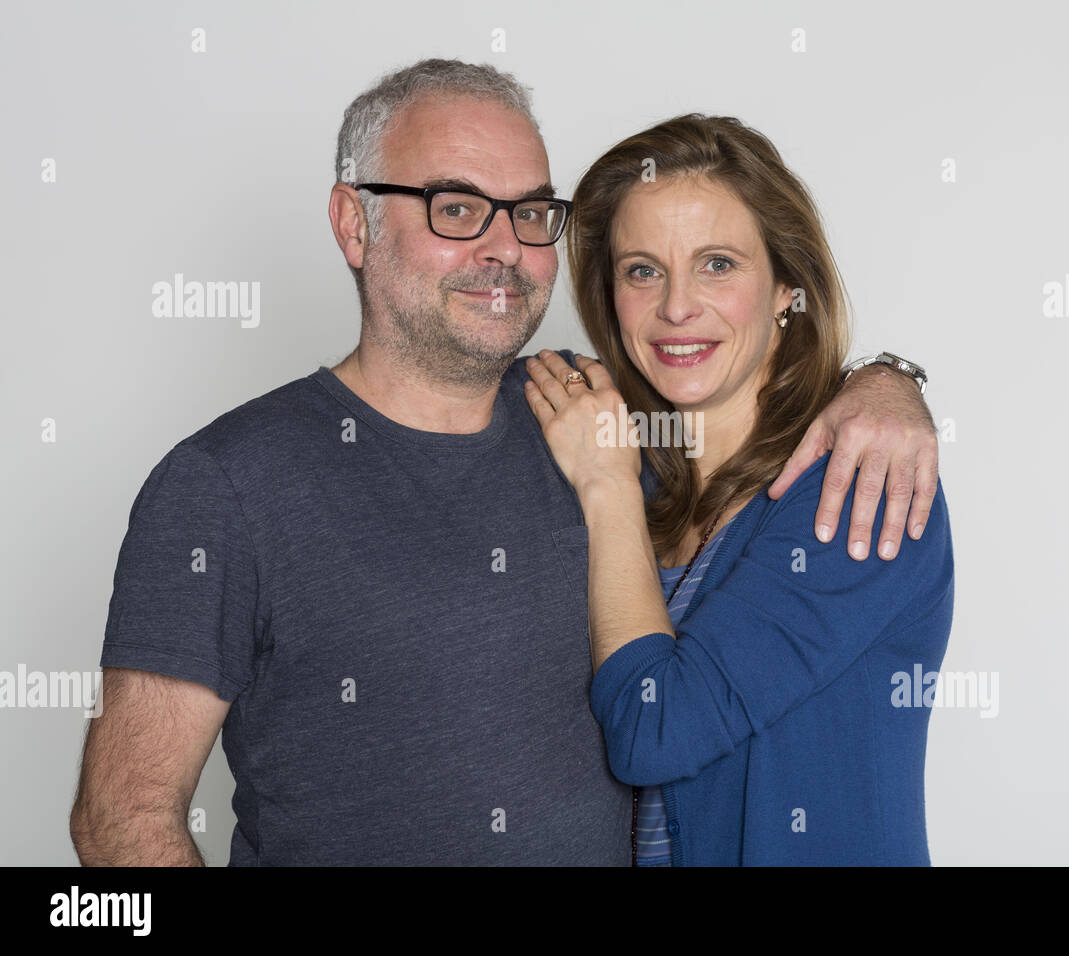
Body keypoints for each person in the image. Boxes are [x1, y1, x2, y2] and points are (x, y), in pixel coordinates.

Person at [69, 59, 941, 865]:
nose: (502, 249)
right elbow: (125, 815)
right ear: (353, 224)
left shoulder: (600, 430)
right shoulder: (229, 484)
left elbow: (740, 398)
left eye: (528, 213)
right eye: (455, 207)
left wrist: (883, 381)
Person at [524, 114, 954, 865]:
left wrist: (608, 489)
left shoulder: (860, 482)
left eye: (718, 264)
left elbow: (655, 729)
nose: (677, 307)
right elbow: (443, 381)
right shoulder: (624, 448)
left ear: (789, 286)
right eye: (641, 269)